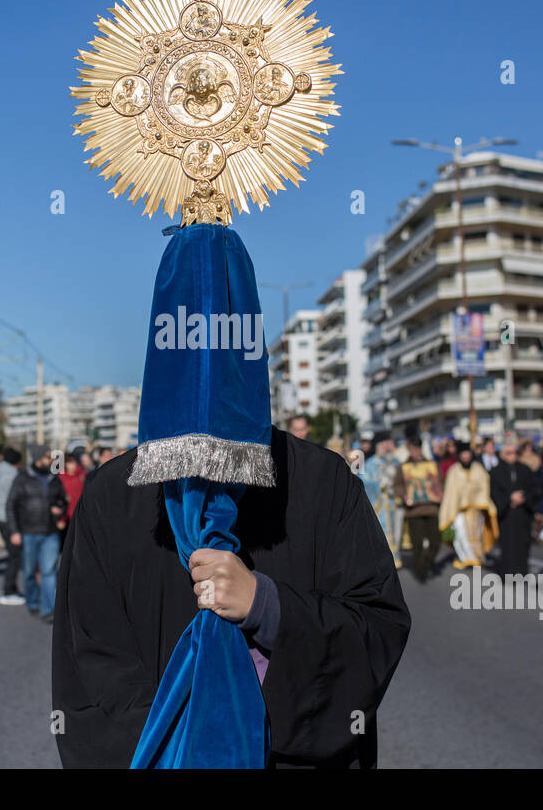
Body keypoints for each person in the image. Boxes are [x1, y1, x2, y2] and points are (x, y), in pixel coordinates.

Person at [52, 222, 409, 768]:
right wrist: (182, 742)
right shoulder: (109, 496)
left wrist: (268, 606)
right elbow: (89, 661)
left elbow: (377, 627)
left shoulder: (323, 480)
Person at [6, 443, 67, 623]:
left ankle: (48, 609)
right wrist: (14, 531)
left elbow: (62, 500)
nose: (51, 459)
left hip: (50, 532)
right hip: (28, 532)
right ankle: (32, 602)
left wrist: (60, 509)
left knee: (49, 572)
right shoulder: (22, 478)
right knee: (29, 572)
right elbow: (11, 505)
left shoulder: (53, 478)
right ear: (39, 458)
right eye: (47, 457)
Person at [438, 442, 498, 570]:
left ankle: (476, 557)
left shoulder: (478, 468)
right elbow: (450, 492)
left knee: (477, 533)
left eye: (467, 454)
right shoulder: (453, 471)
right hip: (459, 510)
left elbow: (484, 485)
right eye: (463, 454)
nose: (466, 456)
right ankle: (464, 558)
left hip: (476, 508)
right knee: (461, 534)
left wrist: (476, 498)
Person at [396, 437, 442, 581]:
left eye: (417, 449)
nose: (415, 452)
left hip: (431, 508)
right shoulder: (403, 467)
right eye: (412, 449)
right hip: (414, 511)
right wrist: (404, 496)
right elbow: (397, 485)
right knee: (417, 544)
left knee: (435, 541)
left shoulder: (431, 465)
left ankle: (426, 564)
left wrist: (441, 494)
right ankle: (421, 572)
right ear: (409, 450)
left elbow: (440, 482)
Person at [492, 439, 540, 575]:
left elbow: (534, 489)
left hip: (522, 513)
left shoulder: (524, 469)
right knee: (508, 545)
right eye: (508, 453)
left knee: (523, 544)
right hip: (506, 515)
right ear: (502, 455)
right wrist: (509, 499)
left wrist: (523, 497)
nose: (512, 456)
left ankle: (522, 571)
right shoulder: (495, 472)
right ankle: (508, 573)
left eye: (514, 453)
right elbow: (494, 493)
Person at [363, 434, 404, 568]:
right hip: (379, 505)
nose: (386, 448)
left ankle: (395, 556)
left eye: (388, 444)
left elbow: (403, 480)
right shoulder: (369, 464)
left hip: (395, 503)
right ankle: (384, 560)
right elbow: (364, 483)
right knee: (382, 531)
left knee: (397, 531)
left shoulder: (396, 462)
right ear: (377, 447)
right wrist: (379, 484)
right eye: (383, 445)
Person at [0, 447, 25, 605]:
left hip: (1, 516)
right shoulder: (12, 476)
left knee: (13, 555)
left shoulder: (0, 472)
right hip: (8, 519)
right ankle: (8, 590)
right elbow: (14, 501)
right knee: (15, 556)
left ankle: (9, 587)